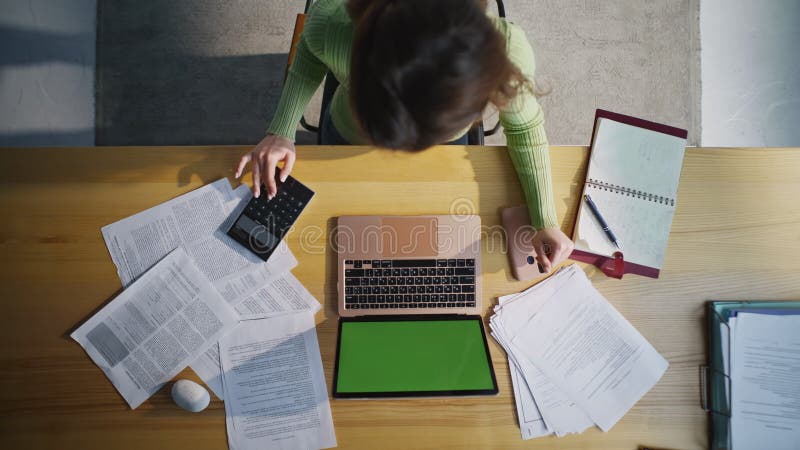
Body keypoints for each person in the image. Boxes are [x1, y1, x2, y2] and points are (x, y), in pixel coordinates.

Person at [234, 0, 573, 271]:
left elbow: (525, 127)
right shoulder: (332, 27)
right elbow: (309, 51)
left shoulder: (506, 54)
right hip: (347, 136)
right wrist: (281, 130)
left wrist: (545, 219)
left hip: (441, 152)